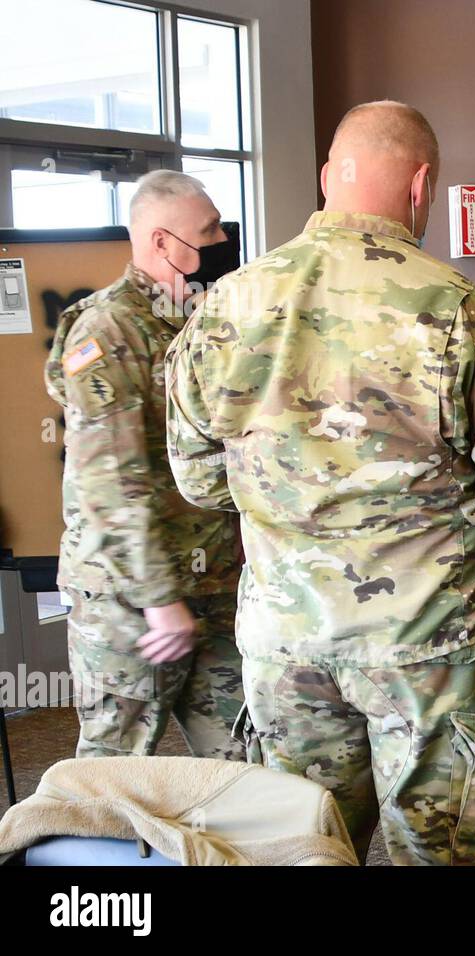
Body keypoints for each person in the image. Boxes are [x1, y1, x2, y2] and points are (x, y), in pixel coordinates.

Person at [165, 100, 475, 865]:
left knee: (301, 852)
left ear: (329, 179)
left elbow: (198, 482)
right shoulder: (459, 311)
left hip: (285, 652)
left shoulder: (224, 305)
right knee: (449, 855)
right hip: (427, 656)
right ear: (422, 186)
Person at [44, 169, 243, 759]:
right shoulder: (106, 331)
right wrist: (160, 600)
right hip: (130, 605)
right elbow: (110, 483)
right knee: (114, 772)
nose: (220, 242)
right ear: (162, 243)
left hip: (212, 585)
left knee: (242, 761)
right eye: (207, 232)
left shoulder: (197, 321)